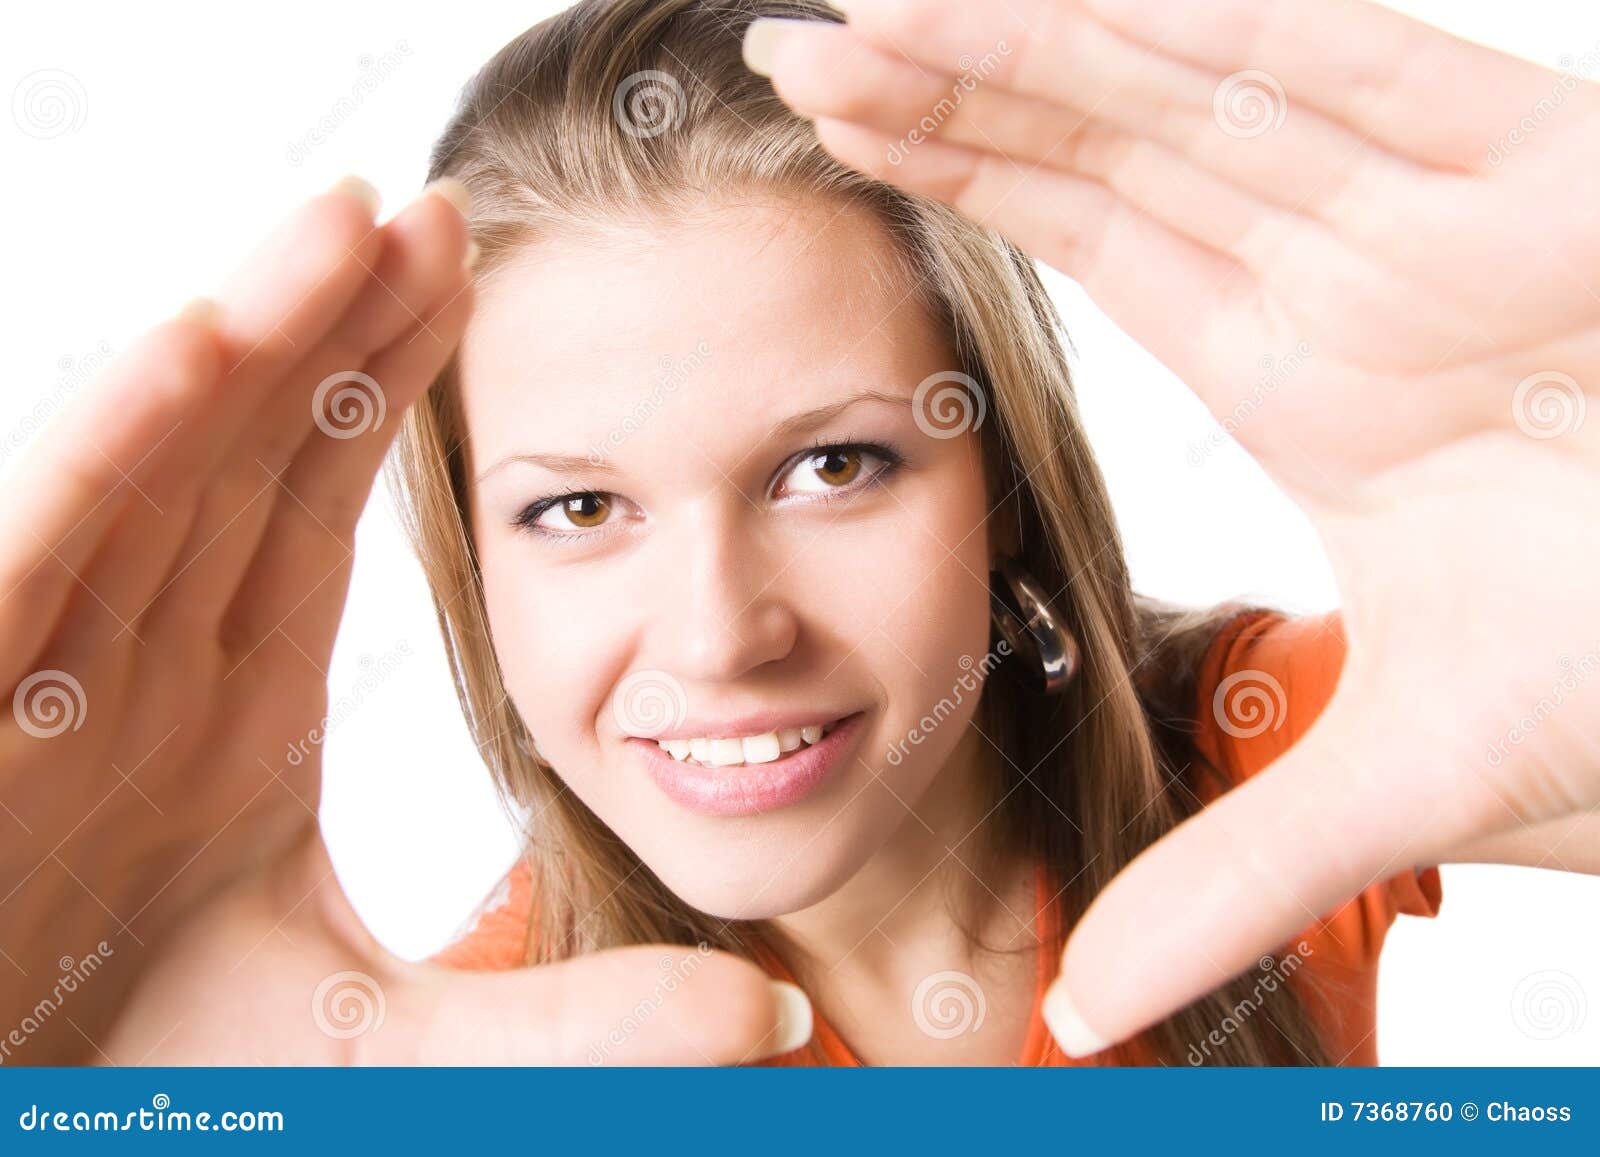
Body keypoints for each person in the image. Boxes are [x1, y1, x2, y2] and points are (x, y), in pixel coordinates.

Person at [0, 0, 1595, 1067]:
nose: (718, 633)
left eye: (833, 467)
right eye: (576, 506)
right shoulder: (460, 1055)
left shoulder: (1258, 759)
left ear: (1004, 485)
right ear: (475, 564)